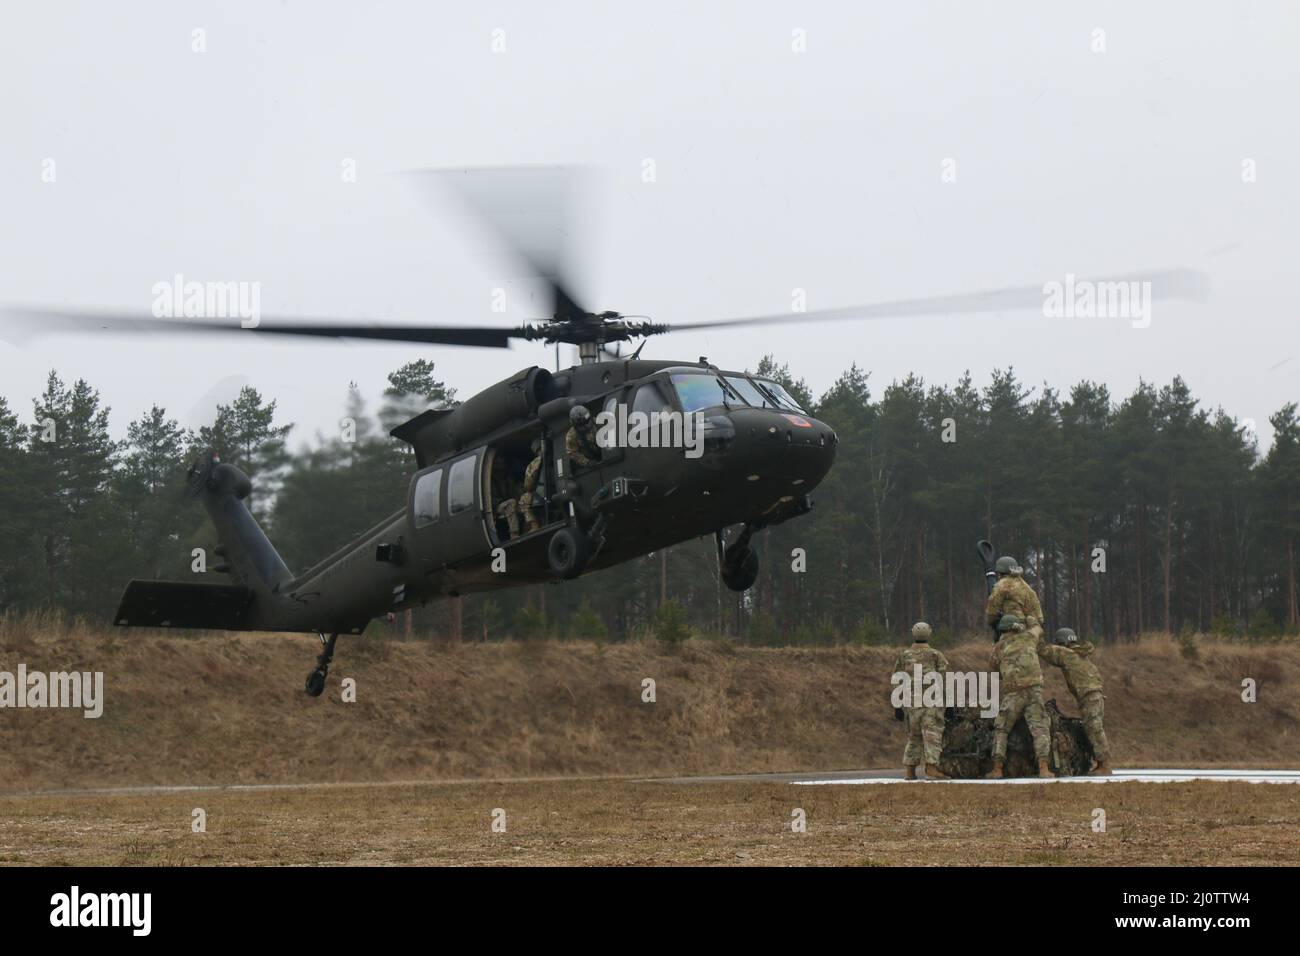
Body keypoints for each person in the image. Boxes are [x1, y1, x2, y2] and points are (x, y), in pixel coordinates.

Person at [1038, 627, 1111, 775]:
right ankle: (1101, 764)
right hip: (1096, 696)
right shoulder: (1082, 655)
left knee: (1094, 729)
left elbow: (1044, 651)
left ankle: (1104, 765)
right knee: (1093, 729)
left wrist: (1034, 633)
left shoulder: (1067, 654)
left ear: (1061, 642)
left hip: (1089, 697)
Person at [988, 613, 1053, 779]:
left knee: (1002, 728)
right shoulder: (1029, 637)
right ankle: (1044, 768)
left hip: (1013, 693)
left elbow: (994, 668)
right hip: (1034, 691)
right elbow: (1038, 627)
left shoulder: (998, 647)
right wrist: (1028, 618)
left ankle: (997, 768)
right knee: (1040, 728)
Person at [893, 621, 949, 779]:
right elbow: (945, 679)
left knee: (914, 737)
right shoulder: (936, 655)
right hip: (931, 703)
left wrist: (897, 705)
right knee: (932, 734)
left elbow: (897, 679)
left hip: (911, 703)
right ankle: (931, 768)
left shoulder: (904, 655)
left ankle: (910, 771)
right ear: (929, 633)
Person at [985, 556, 1045, 640]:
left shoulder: (1002, 584)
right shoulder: (1026, 586)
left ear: (1001, 572)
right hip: (1032, 630)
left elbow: (993, 606)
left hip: (1013, 628)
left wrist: (992, 621)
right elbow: (1039, 617)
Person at [565, 404, 601, 470]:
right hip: (590, 460)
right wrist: (587, 462)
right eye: (582, 424)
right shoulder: (571, 436)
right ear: (575, 425)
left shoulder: (597, 422)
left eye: (587, 421)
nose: (587, 425)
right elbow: (573, 453)